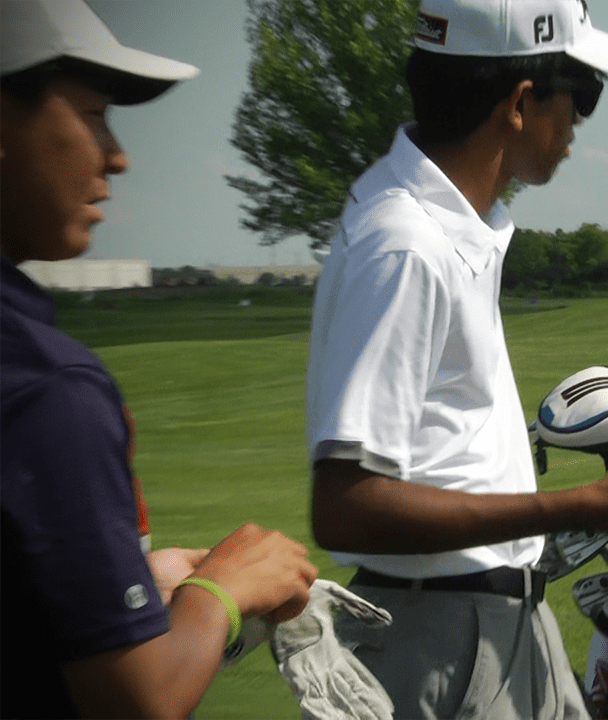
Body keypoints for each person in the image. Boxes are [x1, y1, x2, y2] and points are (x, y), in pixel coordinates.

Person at [304, 1, 608, 718]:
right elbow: (345, 508)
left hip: (495, 622)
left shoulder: (449, 227)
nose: (579, 124)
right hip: (439, 640)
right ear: (521, 102)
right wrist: (582, 506)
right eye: (581, 94)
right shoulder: (407, 244)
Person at [0, 1, 319, 717]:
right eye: (92, 114)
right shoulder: (49, 388)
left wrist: (122, 584)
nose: (116, 155)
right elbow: (139, 699)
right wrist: (221, 590)